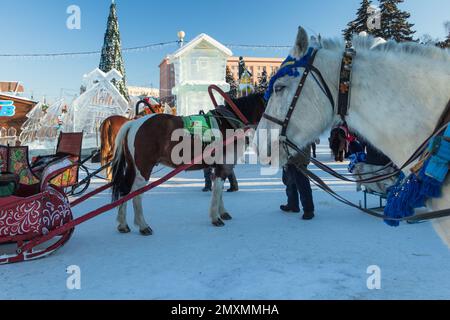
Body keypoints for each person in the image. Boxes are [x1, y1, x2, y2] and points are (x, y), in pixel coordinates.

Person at [280, 146, 315, 220]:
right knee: (289, 181)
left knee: (302, 183)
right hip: (287, 154)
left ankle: (308, 210)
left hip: (299, 155)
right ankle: (292, 204)